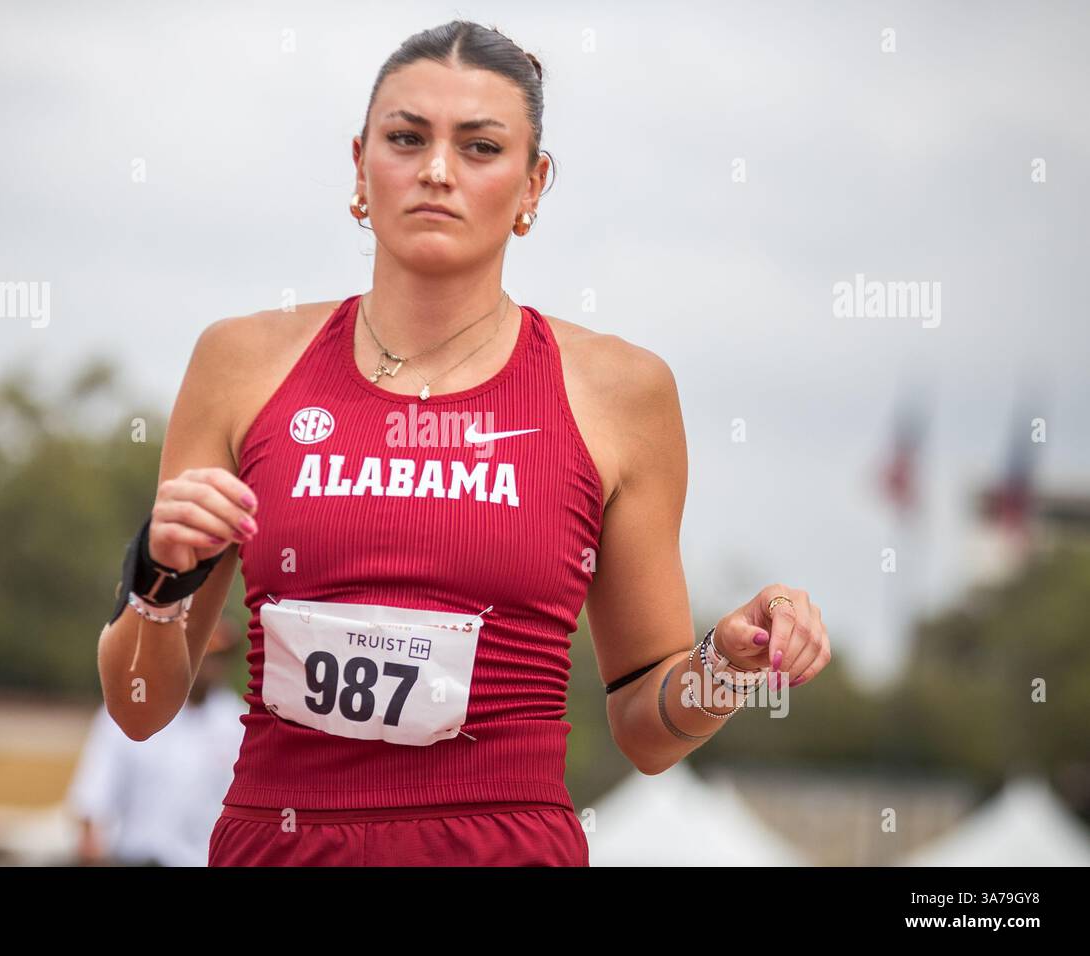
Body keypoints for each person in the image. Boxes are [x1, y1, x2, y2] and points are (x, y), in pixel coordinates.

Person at [96, 20, 832, 867]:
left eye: (480, 147)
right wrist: (157, 581)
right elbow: (142, 707)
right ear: (360, 166)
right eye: (406, 139)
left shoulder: (620, 393)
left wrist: (727, 664)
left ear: (533, 185)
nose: (437, 171)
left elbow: (646, 731)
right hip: (282, 847)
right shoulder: (240, 363)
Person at [69, 619, 246, 866]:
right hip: (131, 858)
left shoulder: (238, 724)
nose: (211, 666)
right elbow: (93, 797)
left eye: (220, 657)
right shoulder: (130, 711)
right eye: (204, 654)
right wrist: (92, 846)